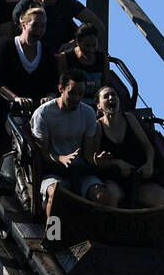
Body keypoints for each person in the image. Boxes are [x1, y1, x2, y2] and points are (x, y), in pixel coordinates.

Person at [31, 75, 107, 204]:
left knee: (101, 195)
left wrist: (96, 159)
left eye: (80, 94)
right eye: (72, 93)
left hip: (80, 172)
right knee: (56, 194)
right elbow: (44, 154)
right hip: (54, 172)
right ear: (61, 89)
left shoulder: (88, 113)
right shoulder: (43, 113)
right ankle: (53, 225)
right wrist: (61, 158)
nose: (76, 98)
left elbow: (88, 154)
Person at [93, 87, 164, 209]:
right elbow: (97, 161)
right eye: (106, 96)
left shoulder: (129, 118)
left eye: (114, 95)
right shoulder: (98, 127)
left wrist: (149, 163)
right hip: (115, 179)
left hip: (138, 177)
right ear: (99, 106)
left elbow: (148, 147)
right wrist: (117, 163)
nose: (111, 98)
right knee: (112, 195)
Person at [0, 6, 59, 114]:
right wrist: (15, 98)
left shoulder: (47, 51)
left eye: (43, 26)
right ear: (24, 25)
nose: (39, 30)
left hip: (39, 110)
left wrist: (49, 96)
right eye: (35, 25)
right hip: (10, 109)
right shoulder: (6, 47)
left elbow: (54, 81)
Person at [56, 24, 112, 104]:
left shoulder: (103, 59)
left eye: (94, 45)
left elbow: (105, 86)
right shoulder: (66, 58)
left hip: (96, 105)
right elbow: (62, 85)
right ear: (78, 42)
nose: (91, 50)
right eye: (87, 46)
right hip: (74, 104)